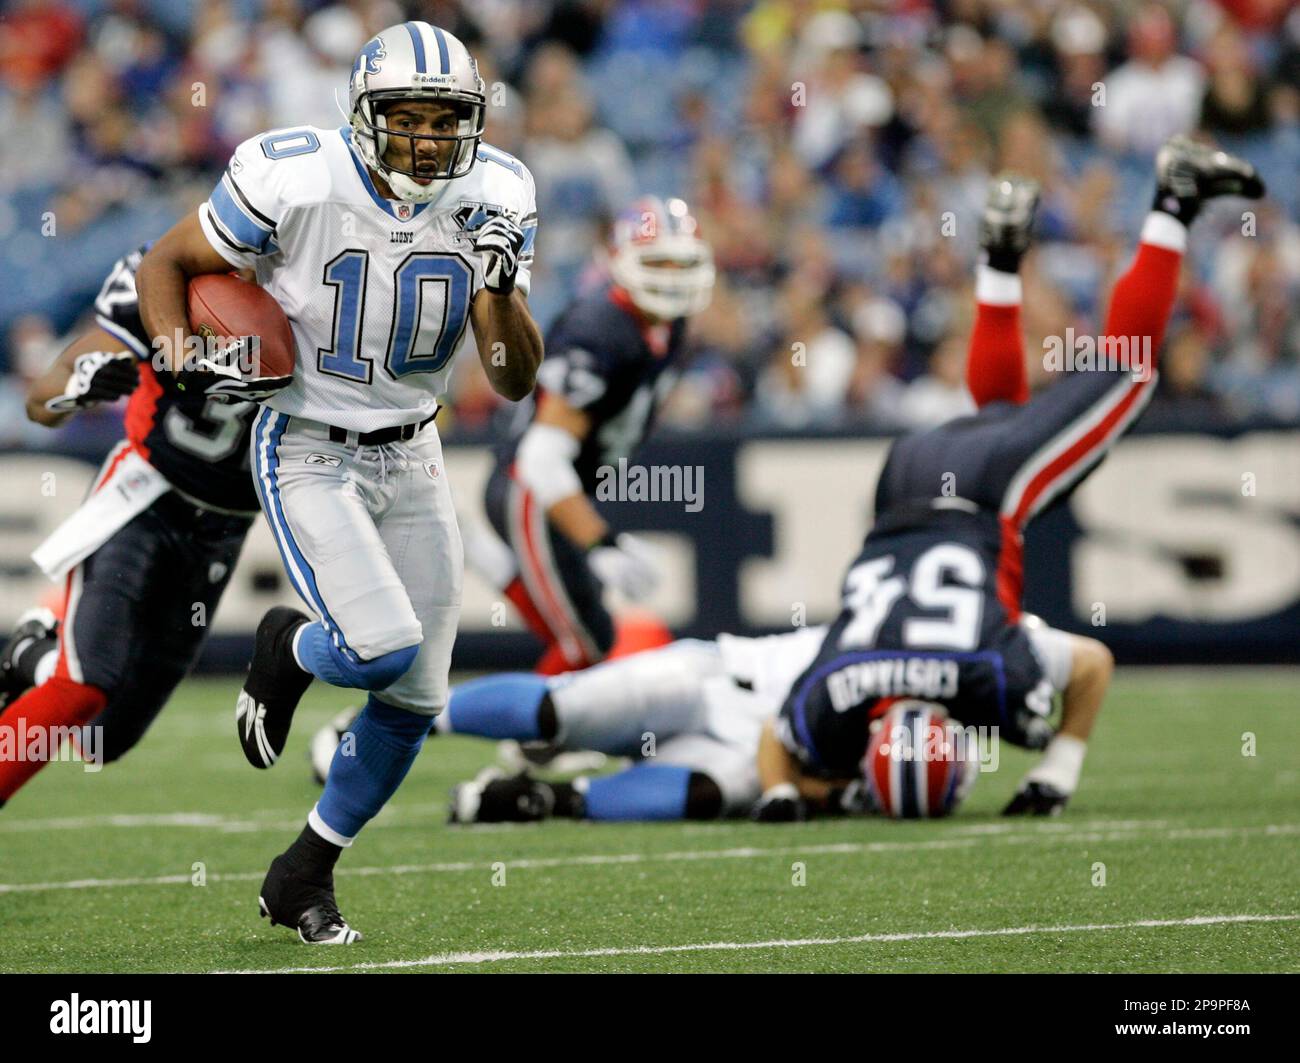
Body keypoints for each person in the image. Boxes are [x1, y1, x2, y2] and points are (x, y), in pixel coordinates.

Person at [135, 21, 543, 943]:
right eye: (409, 117)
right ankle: (288, 645)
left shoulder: (501, 191)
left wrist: (504, 286)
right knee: (383, 644)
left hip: (416, 448)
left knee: (415, 698)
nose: (431, 140)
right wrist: (175, 351)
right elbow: (170, 263)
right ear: (364, 115)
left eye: (450, 121)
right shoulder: (293, 174)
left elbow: (514, 376)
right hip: (310, 443)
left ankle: (302, 874)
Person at [754, 138, 1263, 822]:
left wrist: (1056, 770)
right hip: (903, 477)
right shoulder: (835, 697)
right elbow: (777, 737)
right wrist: (788, 794)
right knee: (996, 412)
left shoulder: (994, 678)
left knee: (1131, 369)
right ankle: (997, 260)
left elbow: (1091, 663)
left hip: (976, 494)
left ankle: (1175, 197)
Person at [0, 246, 260, 807]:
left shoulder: (330, 293)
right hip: (146, 496)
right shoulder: (170, 269)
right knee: (84, 683)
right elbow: (42, 399)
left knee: (101, 738)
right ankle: (50, 654)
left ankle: (31, 652)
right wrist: (79, 384)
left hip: (225, 527)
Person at [477, 195, 714, 674]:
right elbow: (542, 458)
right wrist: (601, 543)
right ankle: (493, 735)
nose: (670, 277)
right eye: (656, 262)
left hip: (559, 488)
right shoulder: (600, 329)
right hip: (533, 488)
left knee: (585, 637)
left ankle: (488, 563)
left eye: (681, 263)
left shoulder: (670, 322)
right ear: (621, 263)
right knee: (588, 643)